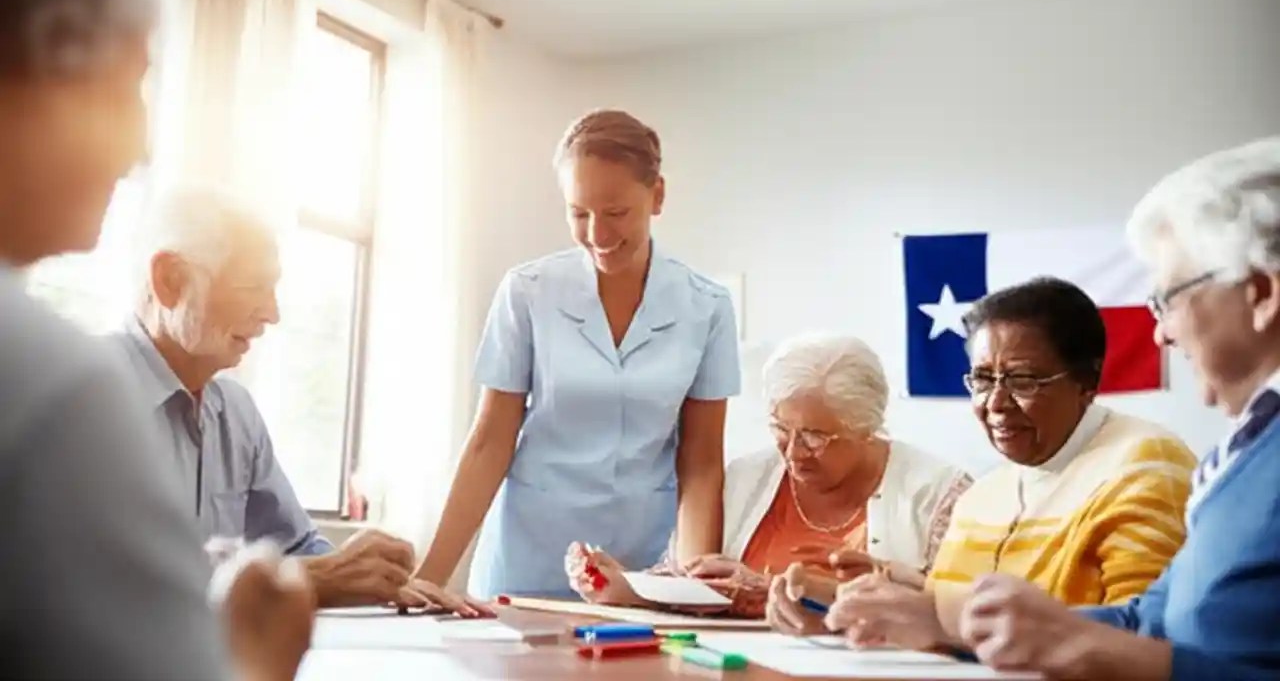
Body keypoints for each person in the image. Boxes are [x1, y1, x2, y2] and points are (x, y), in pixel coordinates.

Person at [0, 0, 308, 679]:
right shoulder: (58, 386)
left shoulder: (232, 411)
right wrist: (263, 656)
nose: (139, 145)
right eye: (129, 83)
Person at [957, 138, 1280, 680]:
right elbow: (1147, 622)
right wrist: (947, 625)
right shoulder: (1244, 448)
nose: (1160, 332)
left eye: (1168, 299)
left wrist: (1088, 650)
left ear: (1260, 293)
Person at [415, 109, 742, 597]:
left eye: (616, 213)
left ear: (657, 196)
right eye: (578, 212)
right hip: (527, 559)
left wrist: (693, 589)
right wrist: (427, 579)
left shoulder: (707, 306)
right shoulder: (527, 291)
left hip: (641, 568)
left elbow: (700, 462)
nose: (597, 235)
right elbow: (490, 441)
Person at [771, 278, 1198, 651]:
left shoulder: (1145, 464)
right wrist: (839, 615)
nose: (995, 404)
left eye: (1023, 381)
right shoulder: (984, 495)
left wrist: (939, 621)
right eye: (982, 379)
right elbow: (944, 625)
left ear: (1087, 383)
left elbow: (1144, 643)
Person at [117, 187, 483, 614]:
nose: (273, 314)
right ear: (170, 280)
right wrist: (325, 577)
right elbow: (114, 580)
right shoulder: (82, 399)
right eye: (254, 287)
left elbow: (295, 546)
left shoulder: (235, 412)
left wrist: (373, 579)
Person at [566, 334, 971, 618]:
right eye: (781, 427)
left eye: (815, 437)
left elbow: (952, 613)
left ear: (867, 429)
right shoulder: (746, 478)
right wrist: (627, 587)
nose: (793, 452)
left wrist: (764, 592)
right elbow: (685, 580)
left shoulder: (940, 494)